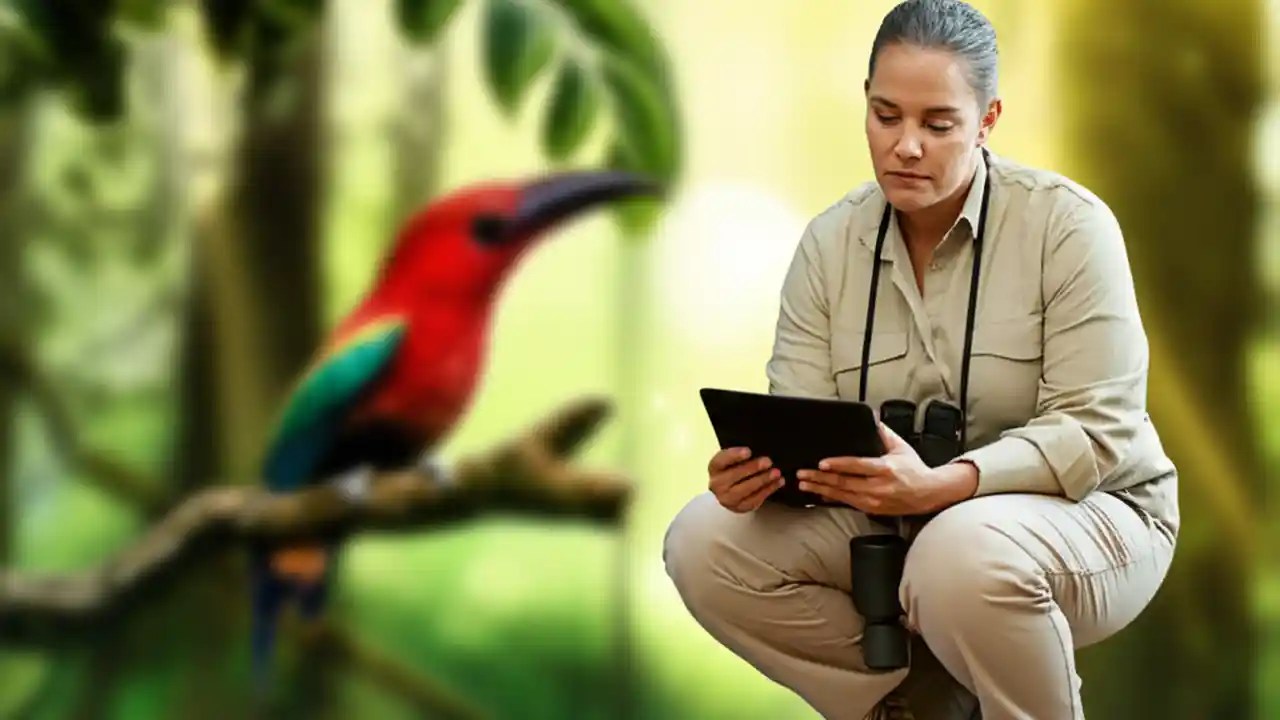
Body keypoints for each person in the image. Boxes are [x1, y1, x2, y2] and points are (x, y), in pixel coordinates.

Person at [662, 1, 1179, 719]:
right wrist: (762, 474)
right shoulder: (829, 244)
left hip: (1093, 513)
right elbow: (806, 423)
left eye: (938, 124)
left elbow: (1095, 432)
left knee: (958, 555)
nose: (906, 145)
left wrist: (944, 486)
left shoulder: (1069, 226)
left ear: (988, 118)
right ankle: (916, 704)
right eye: (885, 115)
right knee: (703, 543)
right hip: (889, 521)